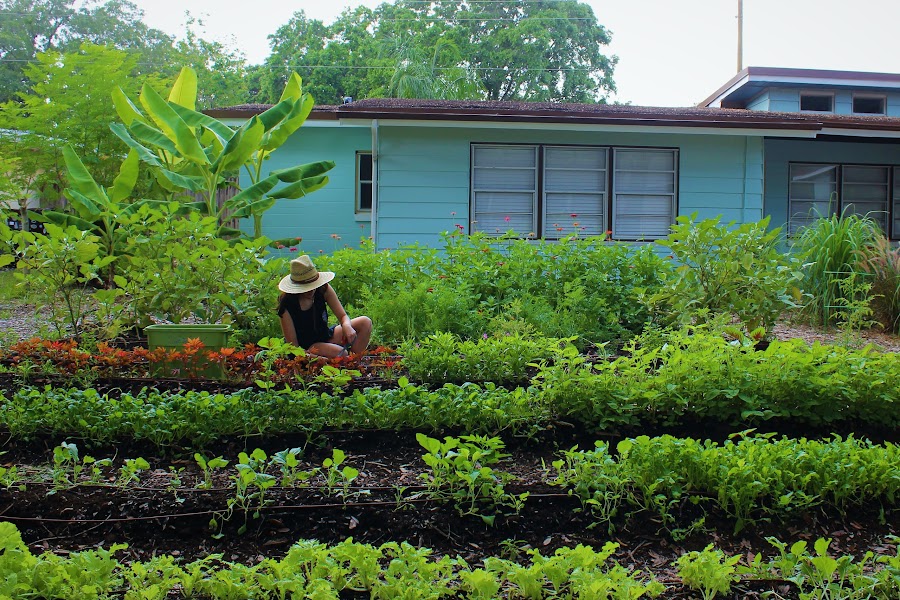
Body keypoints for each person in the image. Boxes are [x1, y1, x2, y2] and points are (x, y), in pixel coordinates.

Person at [277, 255, 372, 358]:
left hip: (325, 335)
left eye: (313, 285)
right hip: (306, 348)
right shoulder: (287, 305)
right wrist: (316, 358)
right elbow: (294, 348)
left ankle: (354, 361)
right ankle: (345, 362)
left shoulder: (323, 288)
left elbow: (343, 316)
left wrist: (347, 326)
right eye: (306, 287)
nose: (311, 290)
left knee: (365, 323)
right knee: (341, 354)